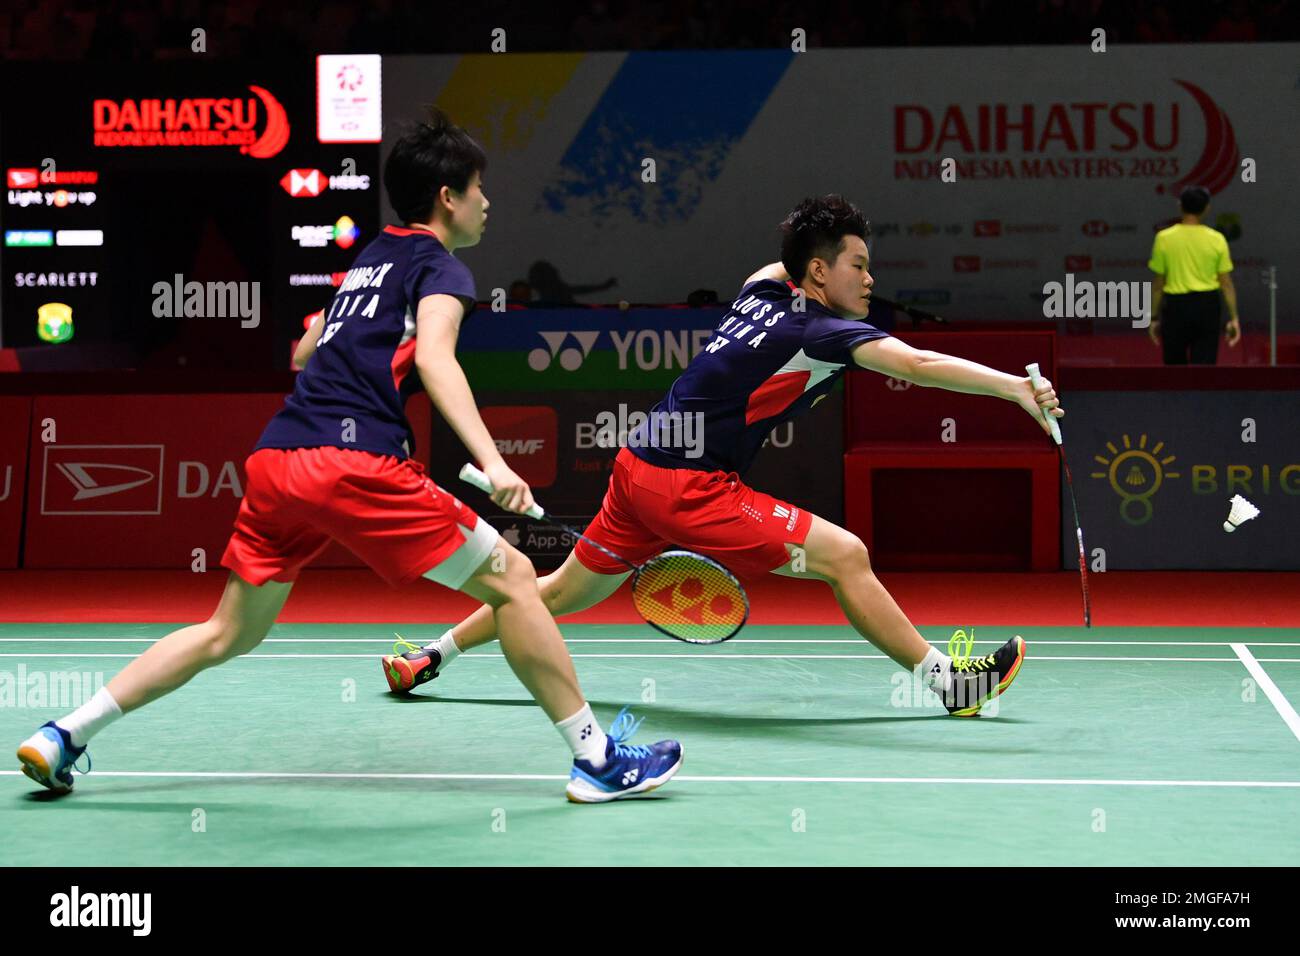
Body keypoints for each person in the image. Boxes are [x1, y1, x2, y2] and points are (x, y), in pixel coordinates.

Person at [16, 109, 682, 805]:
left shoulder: (371, 257)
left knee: (225, 633)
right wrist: (496, 461)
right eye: (479, 187)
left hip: (277, 459)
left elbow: (305, 352)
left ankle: (66, 732)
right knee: (516, 578)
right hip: (352, 459)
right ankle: (596, 759)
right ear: (448, 197)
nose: (488, 202)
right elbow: (434, 358)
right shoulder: (441, 266)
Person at [384, 195, 1063, 717]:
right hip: (689, 486)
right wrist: (1015, 390)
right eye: (858, 263)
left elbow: (780, 263)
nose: (870, 276)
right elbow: (914, 362)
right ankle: (947, 686)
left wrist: (810, 240)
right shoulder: (823, 329)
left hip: (636, 469)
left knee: (558, 589)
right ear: (821, 272)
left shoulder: (762, 292)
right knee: (846, 556)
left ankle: (429, 656)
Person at [1148, 185, 1241, 364]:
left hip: (1176, 308)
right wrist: (1234, 318)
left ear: (1179, 205)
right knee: (1204, 371)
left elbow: (1158, 284)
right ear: (1207, 208)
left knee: (1175, 370)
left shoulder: (1164, 238)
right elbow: (1226, 284)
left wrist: (1153, 318)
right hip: (1207, 307)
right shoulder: (1217, 239)